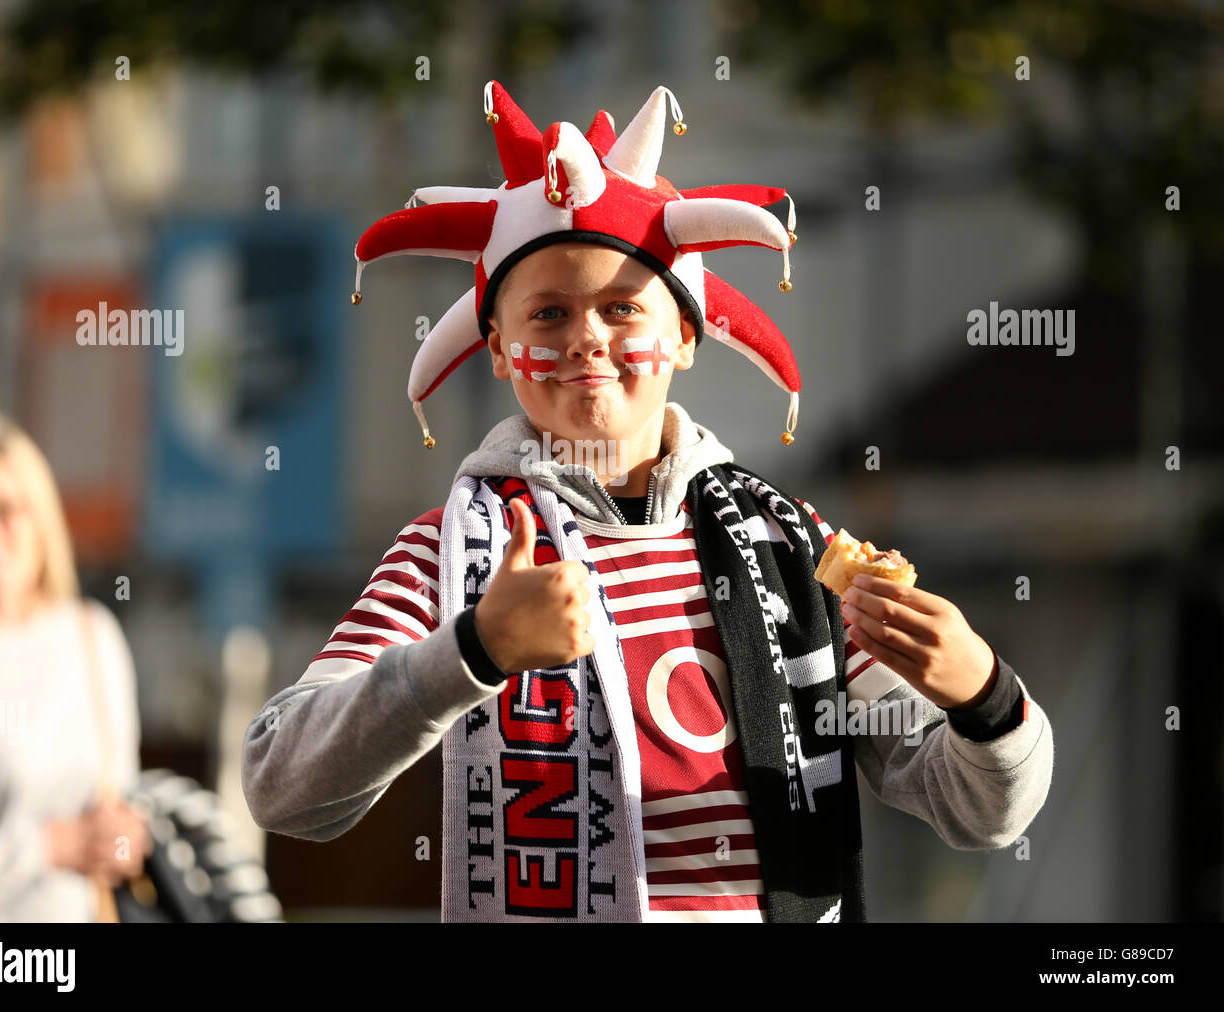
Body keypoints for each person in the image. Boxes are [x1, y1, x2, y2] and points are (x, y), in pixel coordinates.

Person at [242, 81, 1053, 922]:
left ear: (690, 337)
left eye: (623, 307)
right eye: (548, 313)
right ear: (496, 347)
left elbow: (976, 813)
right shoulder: (450, 556)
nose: (588, 338)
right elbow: (282, 785)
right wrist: (473, 652)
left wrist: (981, 694)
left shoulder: (788, 545)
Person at [0, 408, 150, 921]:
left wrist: (121, 840)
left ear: (42, 520)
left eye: (4, 509)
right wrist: (43, 849)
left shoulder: (91, 634)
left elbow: (121, 796)